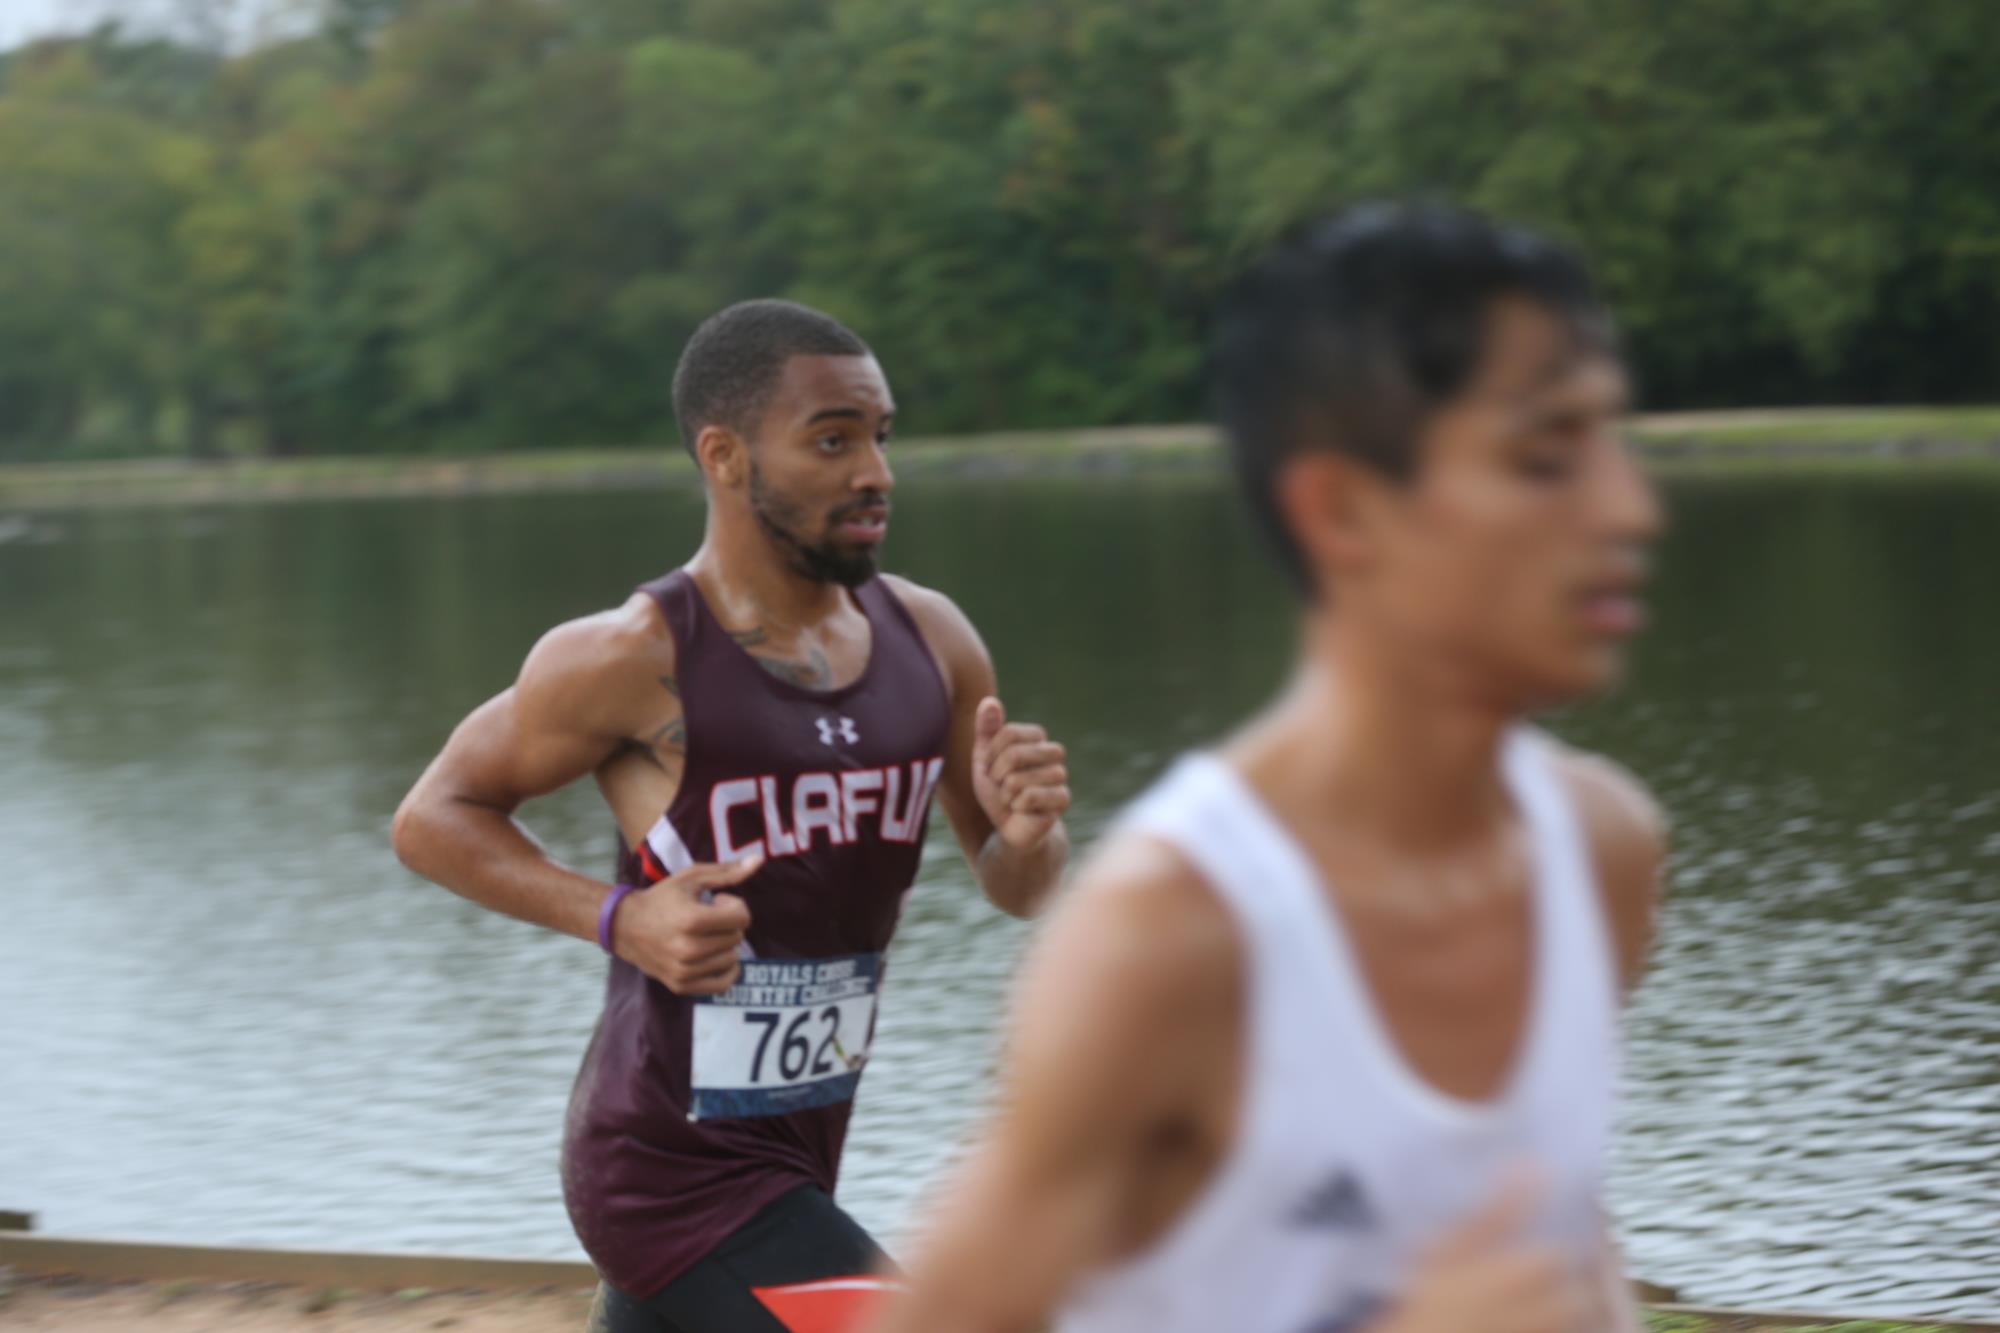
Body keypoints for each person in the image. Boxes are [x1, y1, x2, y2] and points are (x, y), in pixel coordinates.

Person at [869, 205, 1668, 1333]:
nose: (1628, 508)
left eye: (1611, 442)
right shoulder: (1171, 934)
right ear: (1341, 509)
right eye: (1545, 457)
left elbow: (1558, 1248)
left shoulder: (1601, 853)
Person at [390, 299, 1071, 1333]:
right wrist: (624, 918)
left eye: (880, 437)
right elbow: (433, 815)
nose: (874, 473)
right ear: (723, 454)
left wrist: (1029, 837)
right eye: (831, 439)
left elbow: (1017, 888)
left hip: (799, 1148)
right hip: (669, 1168)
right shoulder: (632, 656)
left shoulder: (931, 643)